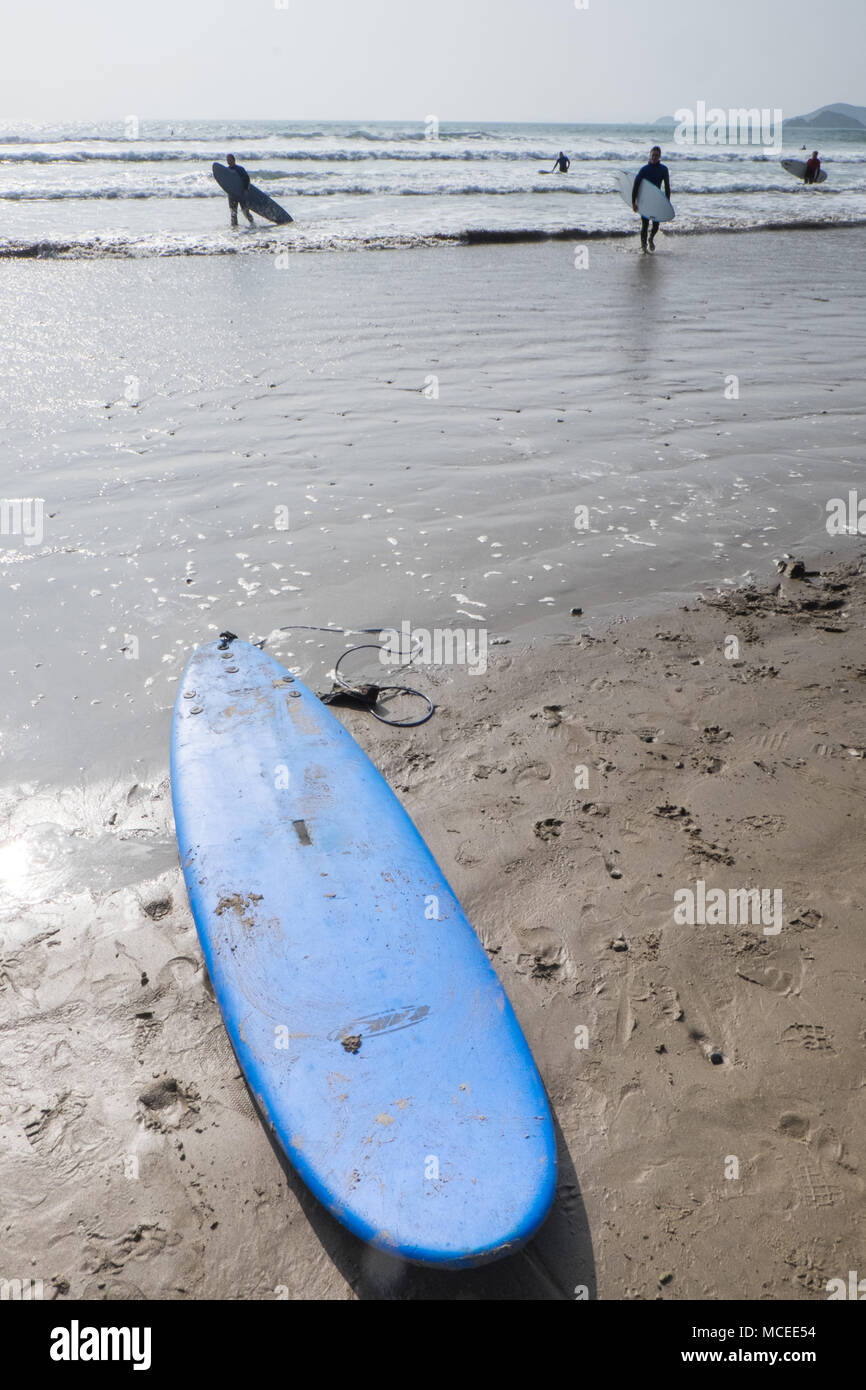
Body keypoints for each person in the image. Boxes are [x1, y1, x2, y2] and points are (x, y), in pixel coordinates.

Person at [632, 146, 671, 253]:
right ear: (650, 155)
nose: (654, 157)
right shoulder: (644, 170)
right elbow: (636, 186)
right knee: (644, 225)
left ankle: (651, 238)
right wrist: (634, 202)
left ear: (659, 157)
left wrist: (667, 203)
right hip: (644, 200)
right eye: (653, 155)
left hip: (656, 201)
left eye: (656, 155)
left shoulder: (663, 169)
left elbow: (667, 187)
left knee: (656, 225)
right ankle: (644, 247)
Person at [225, 153, 254, 227]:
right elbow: (225, 182)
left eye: (230, 160)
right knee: (233, 213)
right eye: (227, 160)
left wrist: (245, 189)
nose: (228, 161)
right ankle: (234, 227)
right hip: (232, 194)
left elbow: (246, 179)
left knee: (245, 211)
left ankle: (253, 223)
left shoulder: (240, 169)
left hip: (241, 193)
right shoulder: (227, 170)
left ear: (234, 160)